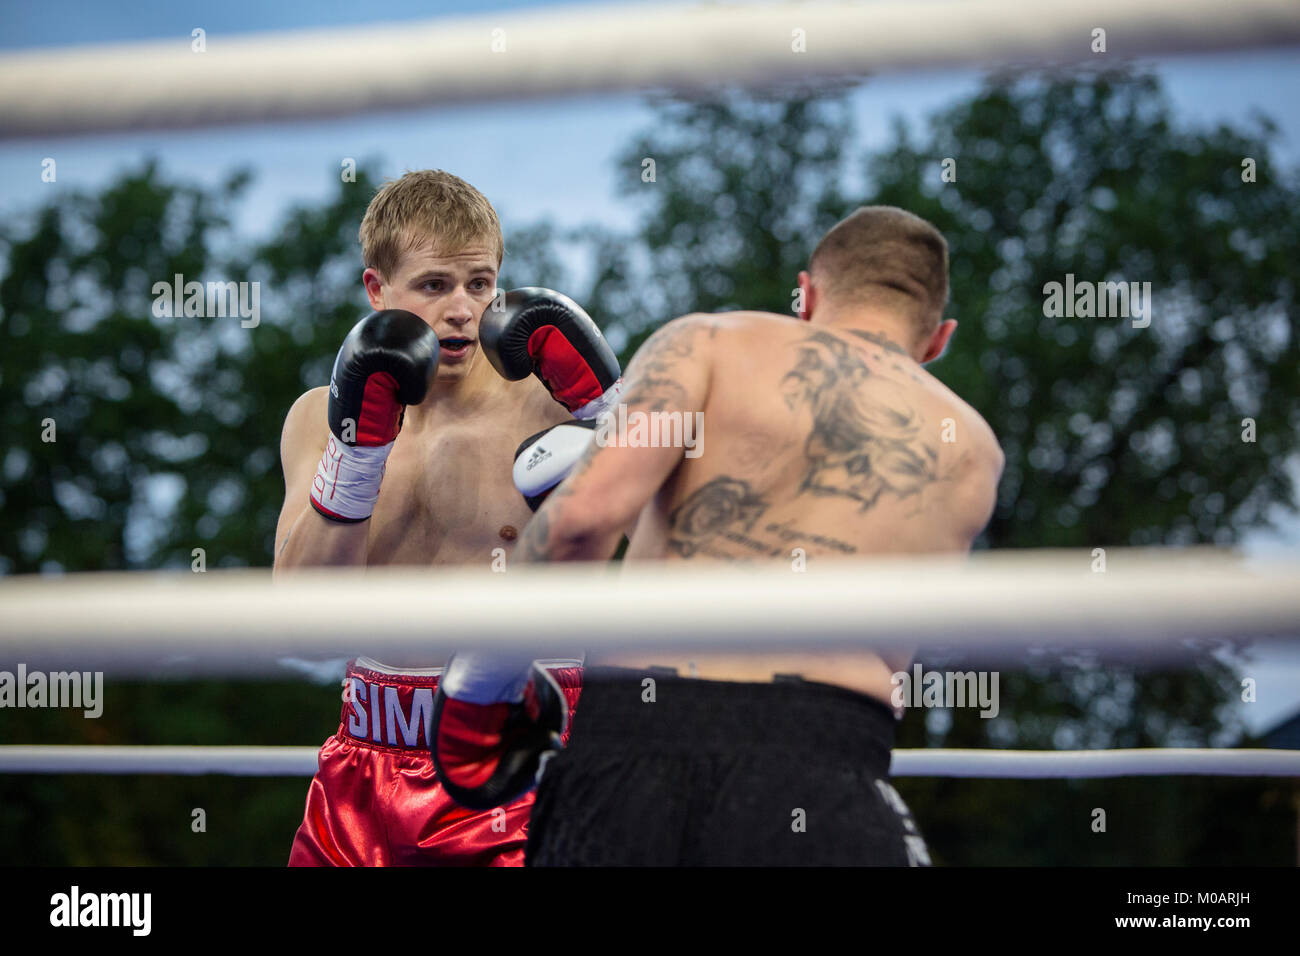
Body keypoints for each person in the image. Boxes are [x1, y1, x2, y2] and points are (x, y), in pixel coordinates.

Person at [458, 205, 1004, 865]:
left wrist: (478, 695)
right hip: (824, 759)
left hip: (636, 746)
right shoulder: (972, 445)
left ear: (809, 294)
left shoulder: (707, 343)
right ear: (938, 339)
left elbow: (579, 524)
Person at [276, 169, 620, 865]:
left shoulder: (549, 406)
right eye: (435, 285)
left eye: (480, 284)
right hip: (362, 773)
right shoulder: (320, 416)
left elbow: (659, 550)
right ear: (377, 290)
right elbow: (301, 620)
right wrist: (359, 454)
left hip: (518, 769)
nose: (462, 309)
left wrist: (609, 418)